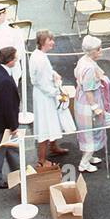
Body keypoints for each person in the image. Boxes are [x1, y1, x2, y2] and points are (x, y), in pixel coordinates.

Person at [74, 35, 110, 173]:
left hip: (82, 101)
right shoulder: (89, 67)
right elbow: (89, 90)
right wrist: (95, 107)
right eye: (98, 49)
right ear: (91, 51)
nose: (100, 51)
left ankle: (89, 158)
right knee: (91, 133)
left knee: (89, 133)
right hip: (89, 104)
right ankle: (84, 163)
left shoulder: (84, 60)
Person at [29, 31, 66, 168]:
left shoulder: (39, 55)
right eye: (50, 40)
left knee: (51, 121)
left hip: (45, 94)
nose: (53, 42)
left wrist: (54, 74)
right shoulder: (39, 58)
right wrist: (56, 91)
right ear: (43, 42)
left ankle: (53, 147)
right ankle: (41, 160)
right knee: (44, 126)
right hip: (44, 96)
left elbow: (46, 73)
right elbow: (39, 81)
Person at [0, 46, 22, 186]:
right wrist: (13, 126)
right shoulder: (5, 81)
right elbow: (8, 106)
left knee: (10, 148)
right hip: (3, 122)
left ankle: (18, 172)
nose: (17, 59)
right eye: (15, 57)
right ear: (10, 61)